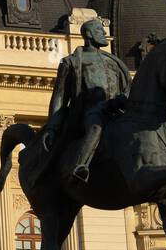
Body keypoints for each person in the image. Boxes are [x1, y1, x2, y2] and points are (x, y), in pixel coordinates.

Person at [41, 17, 131, 184]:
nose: (104, 34)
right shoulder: (72, 62)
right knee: (96, 128)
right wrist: (52, 127)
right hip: (91, 111)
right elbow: (60, 97)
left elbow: (128, 88)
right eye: (99, 31)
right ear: (89, 34)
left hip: (116, 110)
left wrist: (124, 98)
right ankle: (81, 165)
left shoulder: (115, 62)